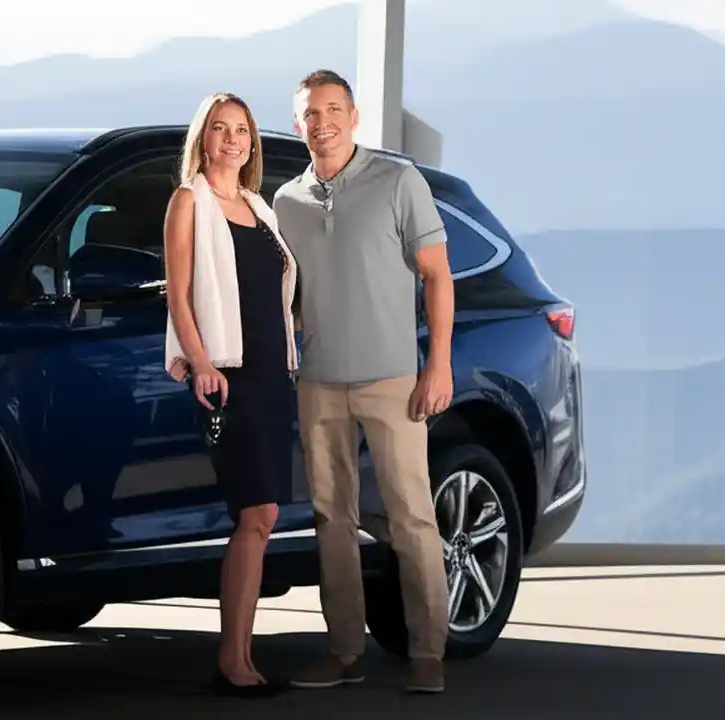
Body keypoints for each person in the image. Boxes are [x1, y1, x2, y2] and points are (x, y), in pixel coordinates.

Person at [272, 69, 454, 694]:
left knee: (411, 518)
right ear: (297, 125)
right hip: (319, 382)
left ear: (353, 117)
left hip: (392, 379)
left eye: (332, 110)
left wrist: (438, 364)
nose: (321, 122)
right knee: (331, 518)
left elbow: (437, 275)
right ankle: (344, 651)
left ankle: (428, 652)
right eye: (310, 113)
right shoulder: (286, 202)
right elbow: (291, 295)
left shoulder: (398, 181)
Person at [163, 92, 299, 696]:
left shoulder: (257, 207)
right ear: (204, 138)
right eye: (220, 128)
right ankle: (232, 661)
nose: (232, 139)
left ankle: (241, 654)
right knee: (254, 513)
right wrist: (199, 364)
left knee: (264, 517)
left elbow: (276, 294)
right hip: (228, 376)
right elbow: (179, 293)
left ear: (252, 142)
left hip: (271, 375)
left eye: (241, 129)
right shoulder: (188, 201)